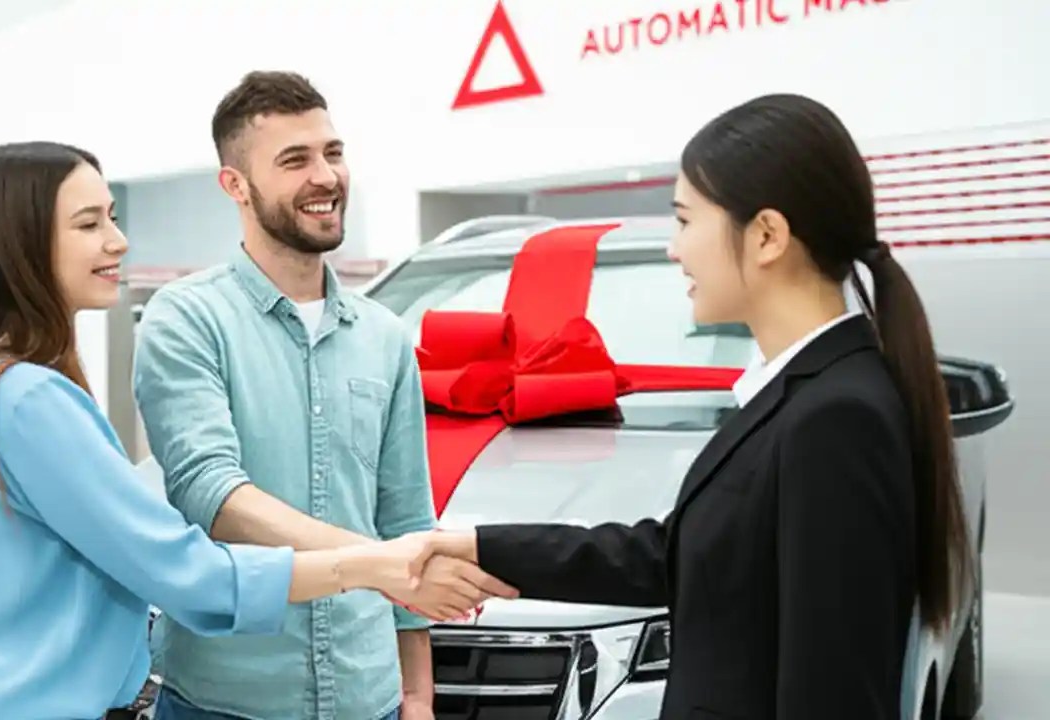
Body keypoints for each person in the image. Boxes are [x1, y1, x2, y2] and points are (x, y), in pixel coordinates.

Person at [409, 93, 975, 720]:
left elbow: (834, 693)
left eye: (684, 221)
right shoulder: (800, 395)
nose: (676, 250)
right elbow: (669, 556)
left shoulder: (836, 420)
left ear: (766, 236)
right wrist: (482, 546)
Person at [0, 141, 470, 720]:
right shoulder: (30, 400)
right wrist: (371, 566)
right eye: (88, 223)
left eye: (113, 218)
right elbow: (190, 573)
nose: (117, 242)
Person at [132, 70, 513, 720]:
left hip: (369, 698)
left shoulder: (385, 337)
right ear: (236, 186)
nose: (326, 177)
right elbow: (214, 495)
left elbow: (404, 514)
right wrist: (380, 563)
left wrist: (416, 694)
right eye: (294, 160)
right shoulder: (187, 319)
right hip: (226, 700)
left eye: (333, 153)